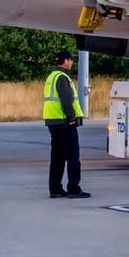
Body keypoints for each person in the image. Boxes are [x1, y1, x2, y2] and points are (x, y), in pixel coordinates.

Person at [43, 50, 90, 198]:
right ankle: (74, 188)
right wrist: (71, 118)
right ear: (66, 61)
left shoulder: (51, 77)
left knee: (57, 157)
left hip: (53, 122)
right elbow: (66, 100)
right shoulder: (62, 78)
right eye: (71, 60)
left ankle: (55, 188)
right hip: (65, 123)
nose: (72, 63)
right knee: (72, 157)